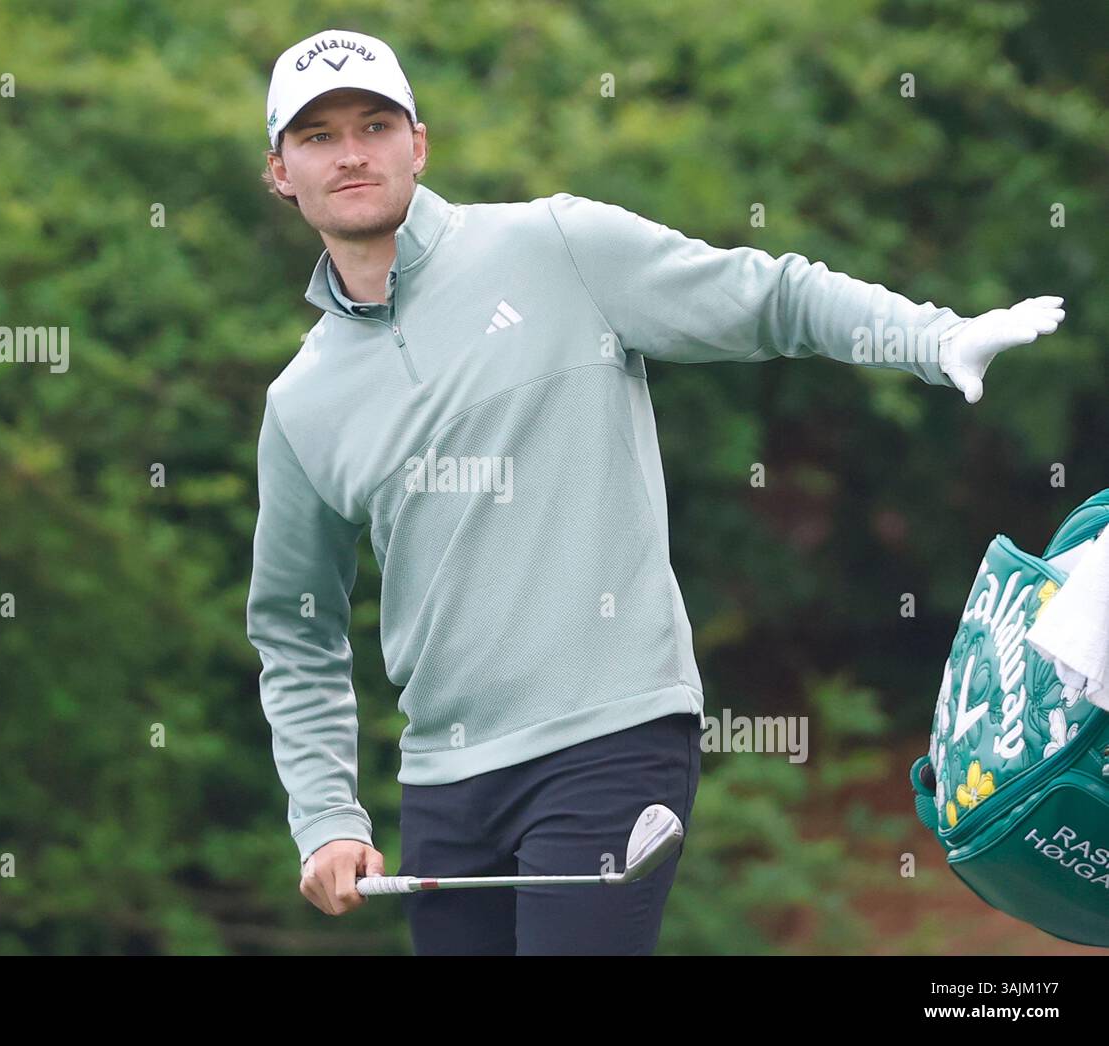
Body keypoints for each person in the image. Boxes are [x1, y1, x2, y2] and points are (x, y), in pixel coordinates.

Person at [246, 27, 1066, 955]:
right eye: (317, 137)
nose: (351, 153)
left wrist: (928, 338)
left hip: (612, 734)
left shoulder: (556, 245)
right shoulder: (302, 400)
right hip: (446, 777)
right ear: (280, 171)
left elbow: (767, 298)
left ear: (418, 142)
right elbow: (294, 625)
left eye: (374, 124)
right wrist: (323, 814)